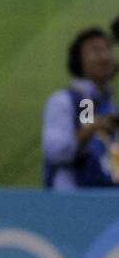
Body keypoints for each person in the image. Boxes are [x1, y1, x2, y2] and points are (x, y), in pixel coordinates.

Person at [42, 27, 119, 188]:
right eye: (96, 51)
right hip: (73, 202)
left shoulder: (110, 105)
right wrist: (93, 129)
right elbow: (56, 152)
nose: (104, 57)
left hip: (108, 201)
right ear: (78, 61)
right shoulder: (68, 101)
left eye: (107, 50)